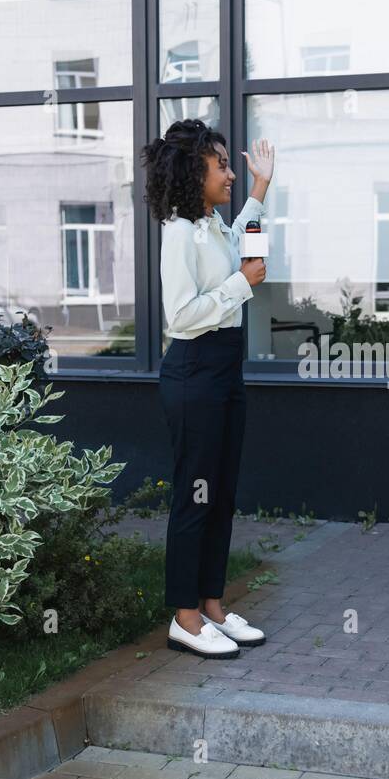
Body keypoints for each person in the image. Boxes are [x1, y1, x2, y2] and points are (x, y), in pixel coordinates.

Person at [140, 118, 275, 659]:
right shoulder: (179, 232)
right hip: (193, 370)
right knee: (194, 496)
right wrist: (241, 284)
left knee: (220, 493)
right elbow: (181, 316)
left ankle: (213, 606)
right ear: (194, 172)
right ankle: (185, 616)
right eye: (222, 165)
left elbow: (246, 242)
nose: (229, 174)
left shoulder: (211, 224)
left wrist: (261, 187)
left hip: (224, 367)